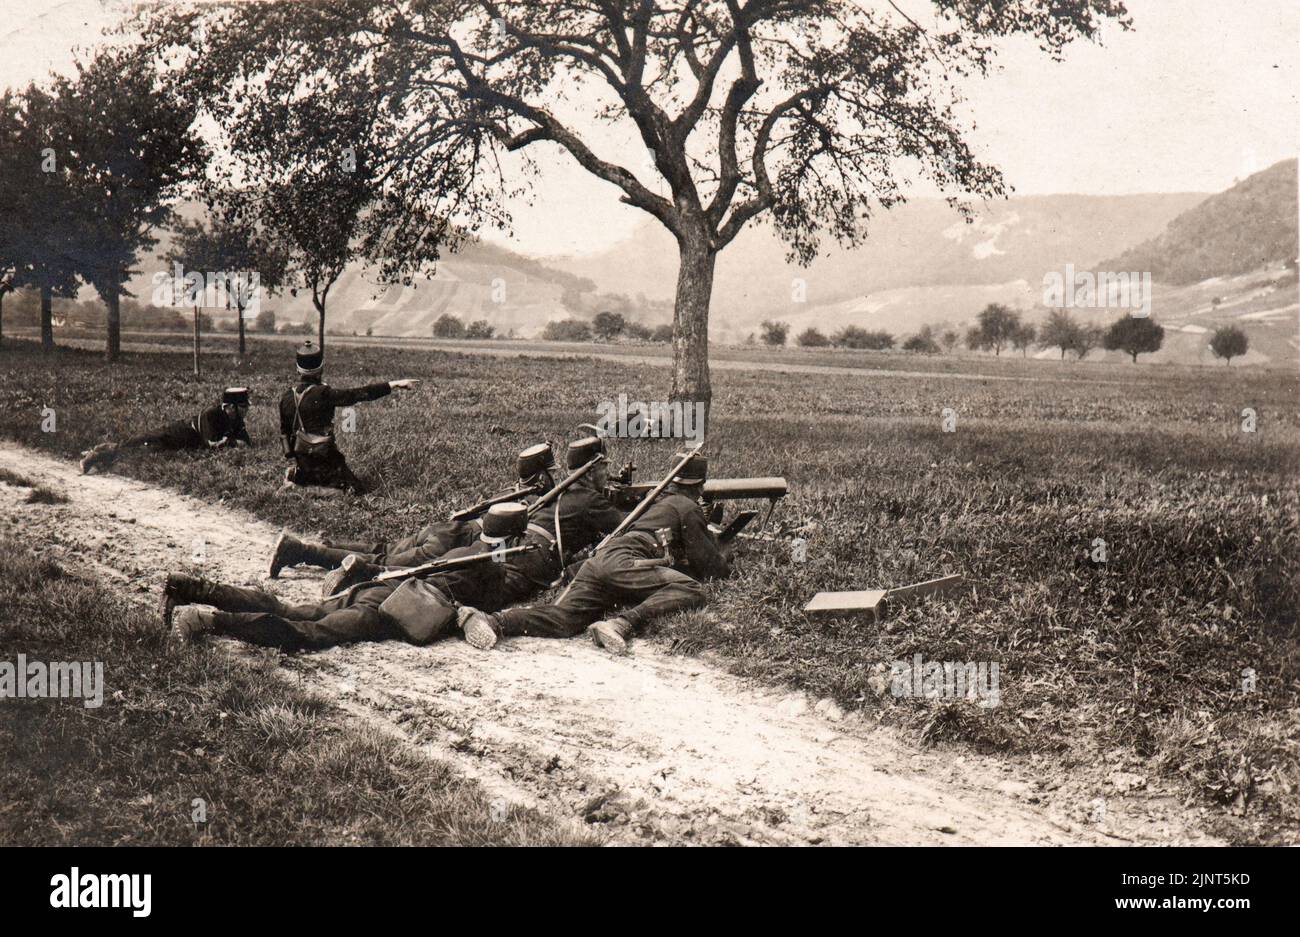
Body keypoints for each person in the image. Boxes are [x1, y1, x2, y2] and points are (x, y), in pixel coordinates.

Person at [457, 449, 731, 655]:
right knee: (692, 589)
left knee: (562, 618)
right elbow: (711, 569)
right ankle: (621, 624)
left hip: (602, 561)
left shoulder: (656, 504)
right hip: (626, 562)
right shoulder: (687, 506)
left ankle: (491, 620)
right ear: (699, 486)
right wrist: (725, 552)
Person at [164, 503, 540, 652]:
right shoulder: (491, 568)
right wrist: (464, 614)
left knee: (294, 609)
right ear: (515, 537)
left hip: (379, 588)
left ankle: (192, 587)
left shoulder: (465, 547)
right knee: (311, 634)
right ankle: (207, 619)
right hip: (389, 609)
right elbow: (476, 604)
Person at [264, 442, 559, 588]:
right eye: (550, 474)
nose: (553, 480)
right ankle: (303, 551)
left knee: (385, 551)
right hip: (454, 541)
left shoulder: (512, 491)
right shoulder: (533, 500)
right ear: (542, 476)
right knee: (386, 566)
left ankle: (325, 548)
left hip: (446, 530)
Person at [279, 340, 419, 494]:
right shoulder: (324, 393)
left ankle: (300, 478)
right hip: (326, 458)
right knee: (355, 490)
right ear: (321, 368)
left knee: (315, 478)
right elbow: (359, 394)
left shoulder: (286, 397)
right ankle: (311, 488)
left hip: (303, 460)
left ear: (298, 370)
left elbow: (284, 434)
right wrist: (394, 384)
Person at [79, 387, 253, 474]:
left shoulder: (235, 419)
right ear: (229, 407)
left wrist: (233, 442)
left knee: (142, 452)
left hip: (185, 443)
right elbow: (212, 444)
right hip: (178, 434)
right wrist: (231, 442)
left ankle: (102, 455)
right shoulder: (212, 414)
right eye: (242, 407)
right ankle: (97, 454)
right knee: (141, 443)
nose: (246, 411)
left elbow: (247, 443)